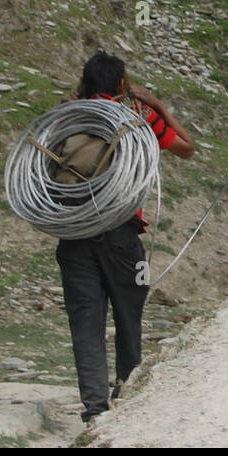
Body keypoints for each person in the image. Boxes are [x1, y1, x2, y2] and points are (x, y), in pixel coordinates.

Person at [57, 51, 194, 424]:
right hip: (121, 234)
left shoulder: (63, 119)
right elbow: (187, 148)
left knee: (86, 321)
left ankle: (95, 409)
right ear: (121, 84)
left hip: (74, 235)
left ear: (84, 83)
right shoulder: (138, 117)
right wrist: (159, 105)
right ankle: (128, 391)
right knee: (129, 313)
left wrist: (74, 99)